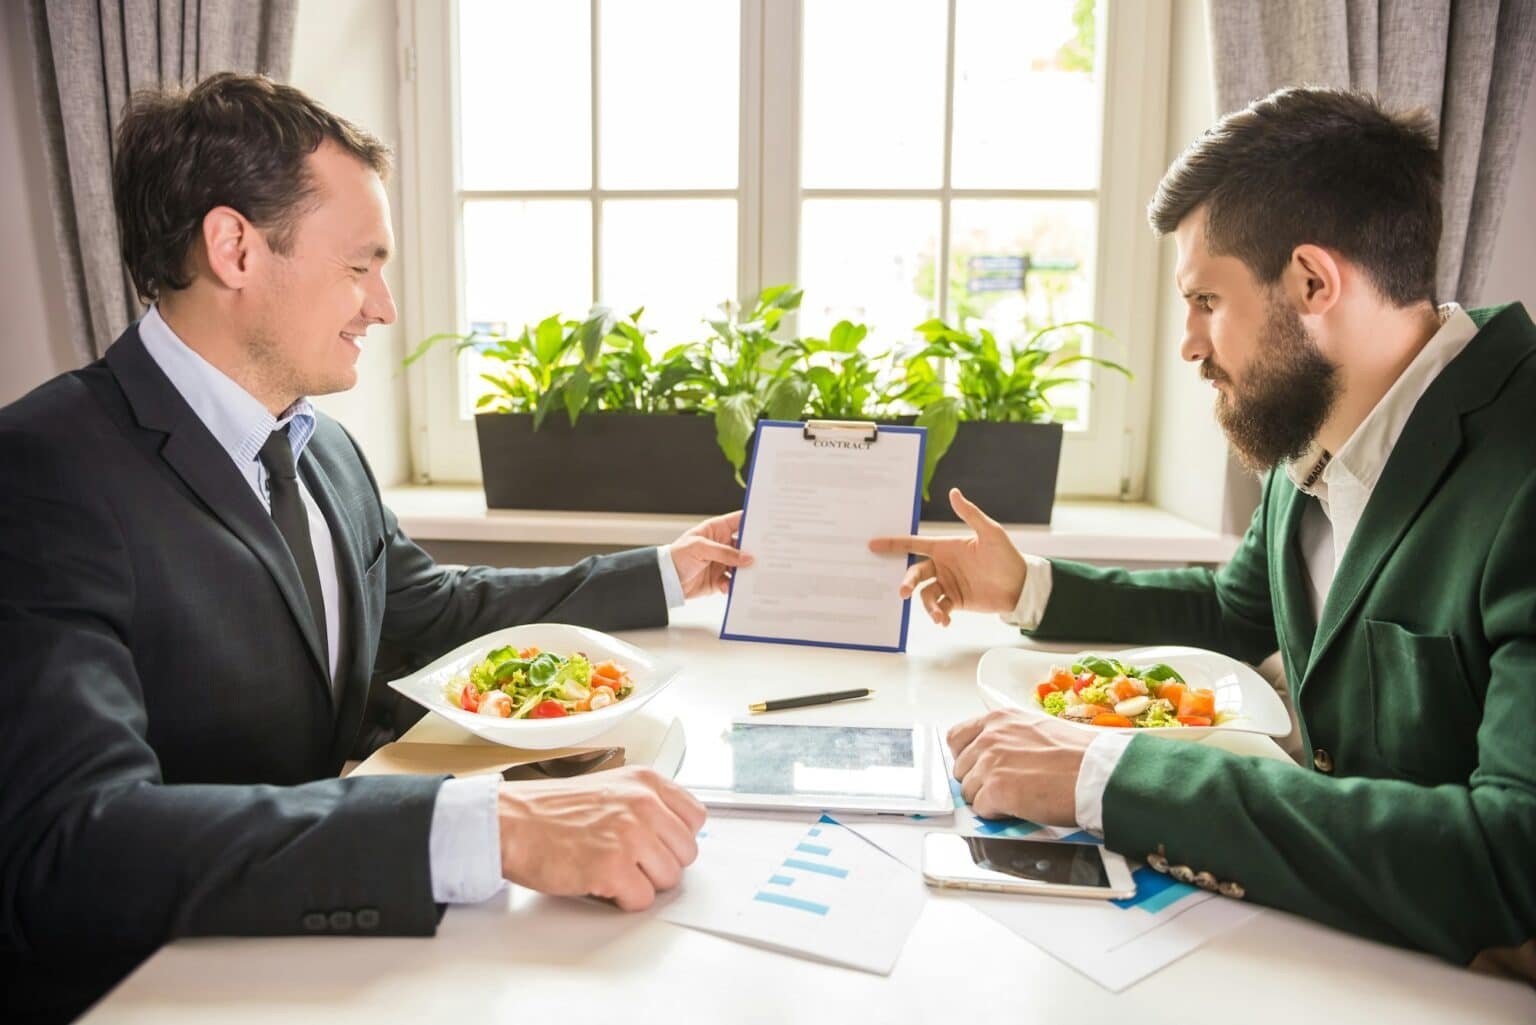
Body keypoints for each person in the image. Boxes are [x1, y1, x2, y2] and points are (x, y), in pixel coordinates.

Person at [0, 73, 750, 1021]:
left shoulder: (320, 446)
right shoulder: (40, 472)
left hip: (334, 956)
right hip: (166, 989)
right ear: (234, 247)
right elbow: (74, 844)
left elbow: (430, 615)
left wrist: (659, 573)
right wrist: (485, 827)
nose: (384, 306)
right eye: (361, 266)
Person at [872, 87, 1535, 982]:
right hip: (1313, 946)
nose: (1188, 344)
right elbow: (1236, 616)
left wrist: (1112, 775)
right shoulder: (1320, 424)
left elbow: (1510, 859)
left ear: (1312, 281)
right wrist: (1024, 585)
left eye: (1206, 300)